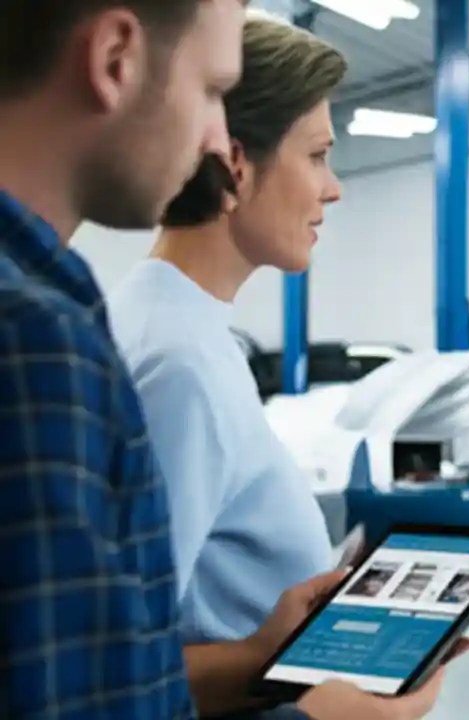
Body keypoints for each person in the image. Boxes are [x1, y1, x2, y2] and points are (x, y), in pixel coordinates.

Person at [0, 2, 468, 717]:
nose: (215, 140)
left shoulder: (137, 323)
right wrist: (321, 714)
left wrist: (262, 654)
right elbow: (106, 684)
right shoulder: (112, 349)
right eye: (316, 154)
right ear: (116, 58)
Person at [105, 15, 352, 716]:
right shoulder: (177, 363)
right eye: (317, 156)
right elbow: (124, 669)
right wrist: (300, 691)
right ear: (236, 163)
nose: (332, 189)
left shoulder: (182, 328)